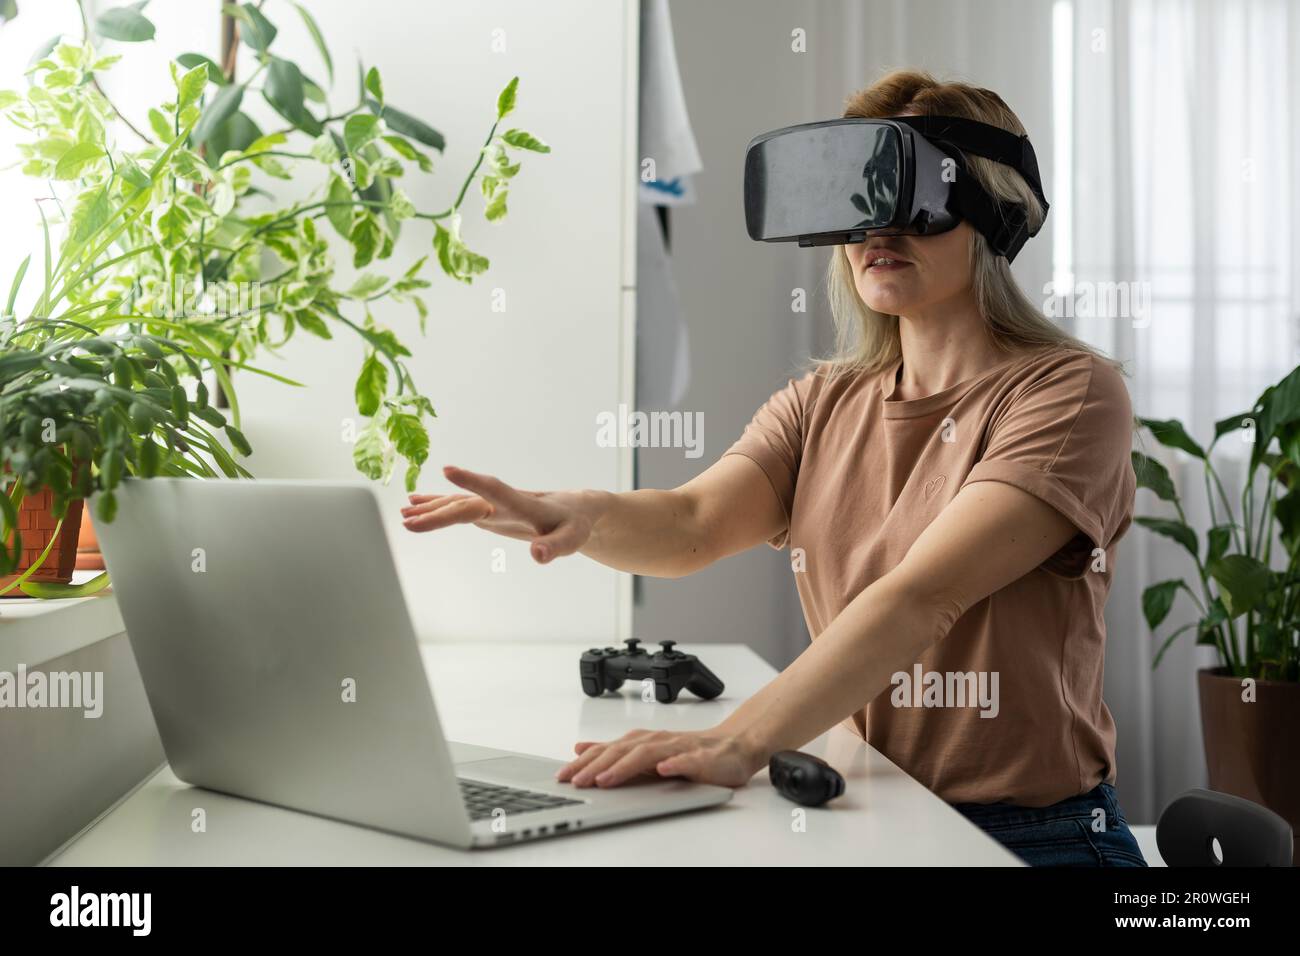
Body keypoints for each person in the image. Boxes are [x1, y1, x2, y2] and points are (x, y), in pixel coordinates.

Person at [401, 70, 1145, 867]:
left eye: (906, 193)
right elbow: (691, 526)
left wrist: (737, 738)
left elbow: (922, 596)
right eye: (860, 198)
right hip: (867, 809)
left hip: (1032, 839)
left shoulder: (1069, 393)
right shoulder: (824, 400)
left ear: (991, 211)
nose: (875, 230)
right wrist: (581, 517)